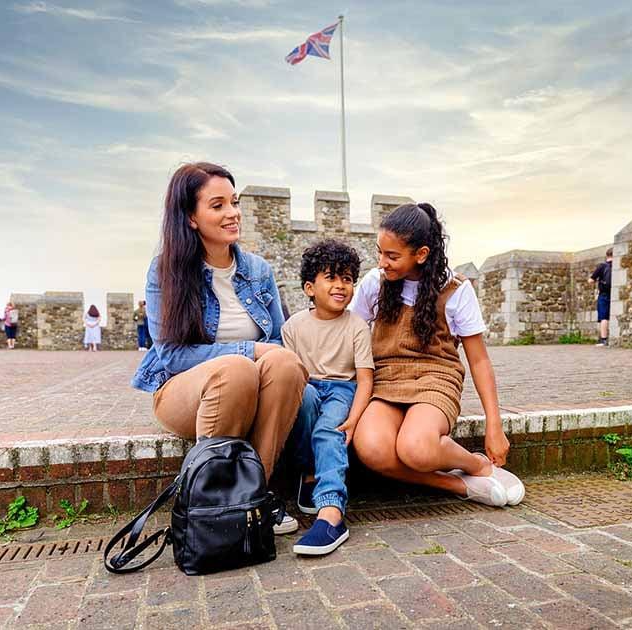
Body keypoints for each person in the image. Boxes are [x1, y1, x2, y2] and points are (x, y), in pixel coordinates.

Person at [131, 162, 306, 536]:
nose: (232, 213)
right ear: (191, 218)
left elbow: (275, 340)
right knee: (237, 367)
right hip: (183, 391)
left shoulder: (258, 270)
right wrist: (248, 351)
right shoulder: (166, 271)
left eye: (234, 202)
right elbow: (172, 357)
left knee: (287, 363)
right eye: (217, 205)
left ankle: (251, 497)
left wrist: (260, 354)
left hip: (252, 390)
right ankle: (212, 502)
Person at [349, 203, 525, 507]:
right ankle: (457, 485)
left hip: (435, 379)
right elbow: (349, 335)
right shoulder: (374, 284)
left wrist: (494, 425)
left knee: (416, 448)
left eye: (392, 256)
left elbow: (479, 360)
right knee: (372, 449)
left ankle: (477, 465)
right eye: (380, 253)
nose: (382, 263)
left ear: (421, 254)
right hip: (385, 380)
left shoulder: (455, 289)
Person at [283, 239, 374, 556]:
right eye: (331, 277)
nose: (341, 285)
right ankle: (307, 474)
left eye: (347, 279)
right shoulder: (294, 326)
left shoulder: (357, 326)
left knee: (327, 430)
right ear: (310, 287)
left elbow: (364, 380)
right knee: (305, 401)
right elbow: (291, 375)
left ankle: (332, 512)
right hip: (306, 385)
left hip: (342, 389)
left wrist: (354, 418)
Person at [589, 248, 613, 347]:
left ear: (607, 255)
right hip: (615, 293)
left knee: (604, 317)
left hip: (604, 294)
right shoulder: (617, 265)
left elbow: (590, 280)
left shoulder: (602, 266)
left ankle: (604, 340)